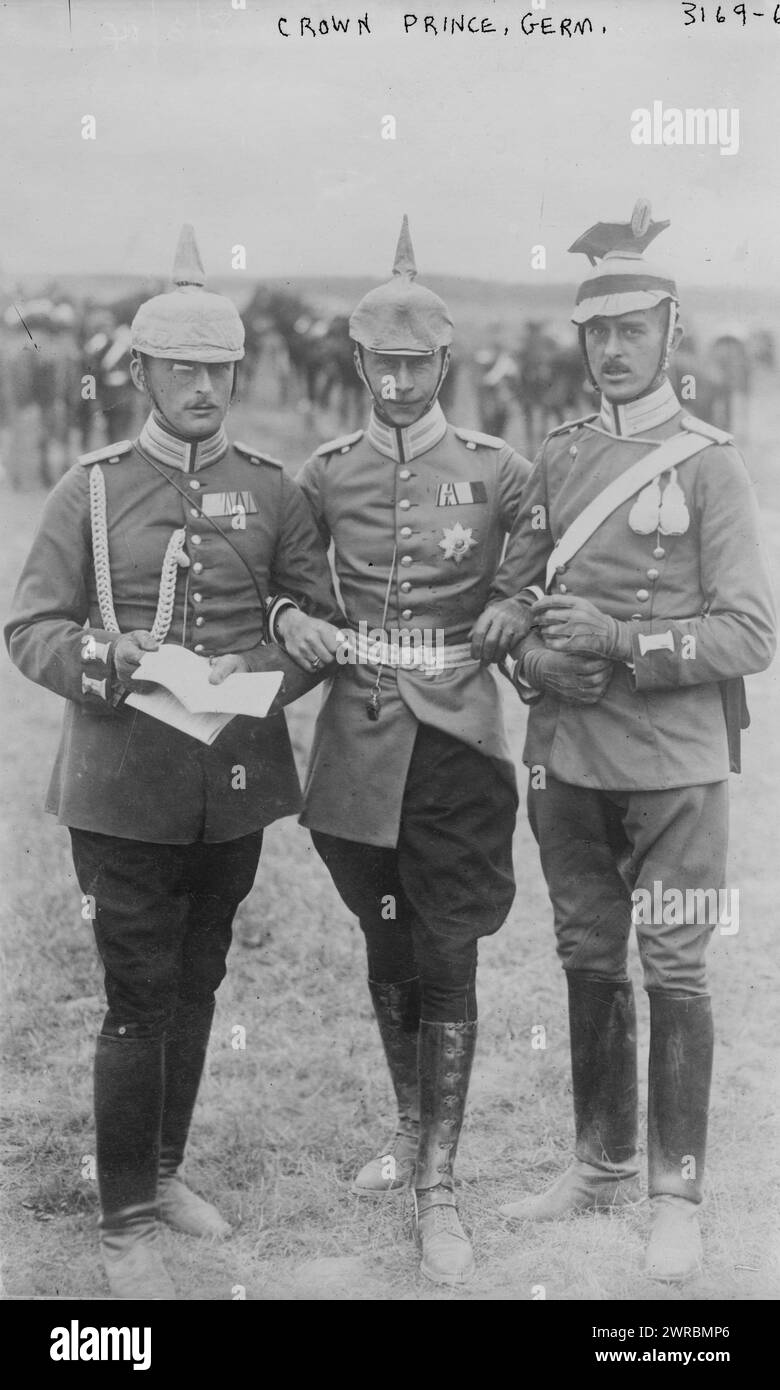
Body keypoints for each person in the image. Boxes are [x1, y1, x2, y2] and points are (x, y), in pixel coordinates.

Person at [5, 225, 341, 1300]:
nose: (203, 388)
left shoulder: (274, 489)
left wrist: (262, 673)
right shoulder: (92, 489)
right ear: (141, 373)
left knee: (199, 981)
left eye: (219, 370)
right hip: (122, 790)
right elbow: (31, 630)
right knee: (137, 994)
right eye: (181, 369)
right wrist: (109, 660)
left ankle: (162, 1169)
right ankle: (123, 1225)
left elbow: (313, 625)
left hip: (231, 784)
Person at [474, 200, 776, 1281]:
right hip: (568, 757)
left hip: (676, 766)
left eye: (632, 330)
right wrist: (523, 648)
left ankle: (676, 1193)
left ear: (670, 333)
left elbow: (752, 633)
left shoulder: (710, 465)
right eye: (596, 332)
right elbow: (515, 592)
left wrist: (624, 641)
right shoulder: (558, 455)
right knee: (587, 954)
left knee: (676, 966)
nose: (612, 349)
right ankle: (600, 1163)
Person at [294, 216, 532, 1286]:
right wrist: (292, 620)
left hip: (454, 744)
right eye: (380, 363)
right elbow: (289, 584)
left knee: (447, 950)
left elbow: (536, 567)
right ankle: (408, 1125)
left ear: (444, 363)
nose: (396, 382)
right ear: (357, 363)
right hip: (356, 745)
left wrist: (517, 602)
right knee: (385, 943)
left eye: (416, 363)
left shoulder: (497, 471)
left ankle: (439, 1184)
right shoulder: (323, 475)